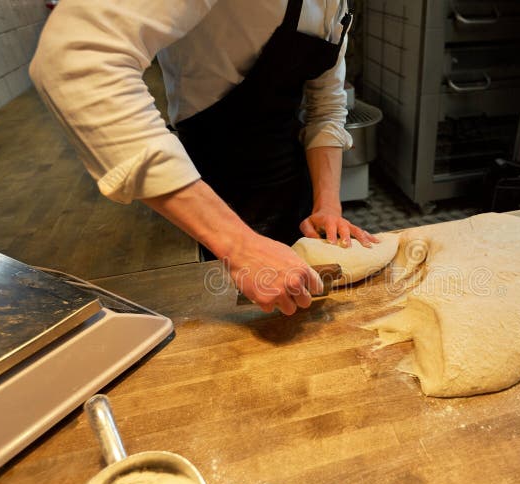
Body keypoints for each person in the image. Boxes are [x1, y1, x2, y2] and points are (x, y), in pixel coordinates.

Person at [29, 0, 378, 316]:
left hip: (288, 172)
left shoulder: (334, 6)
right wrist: (239, 246)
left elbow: (326, 107)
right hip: (209, 183)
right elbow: (76, 59)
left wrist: (328, 205)